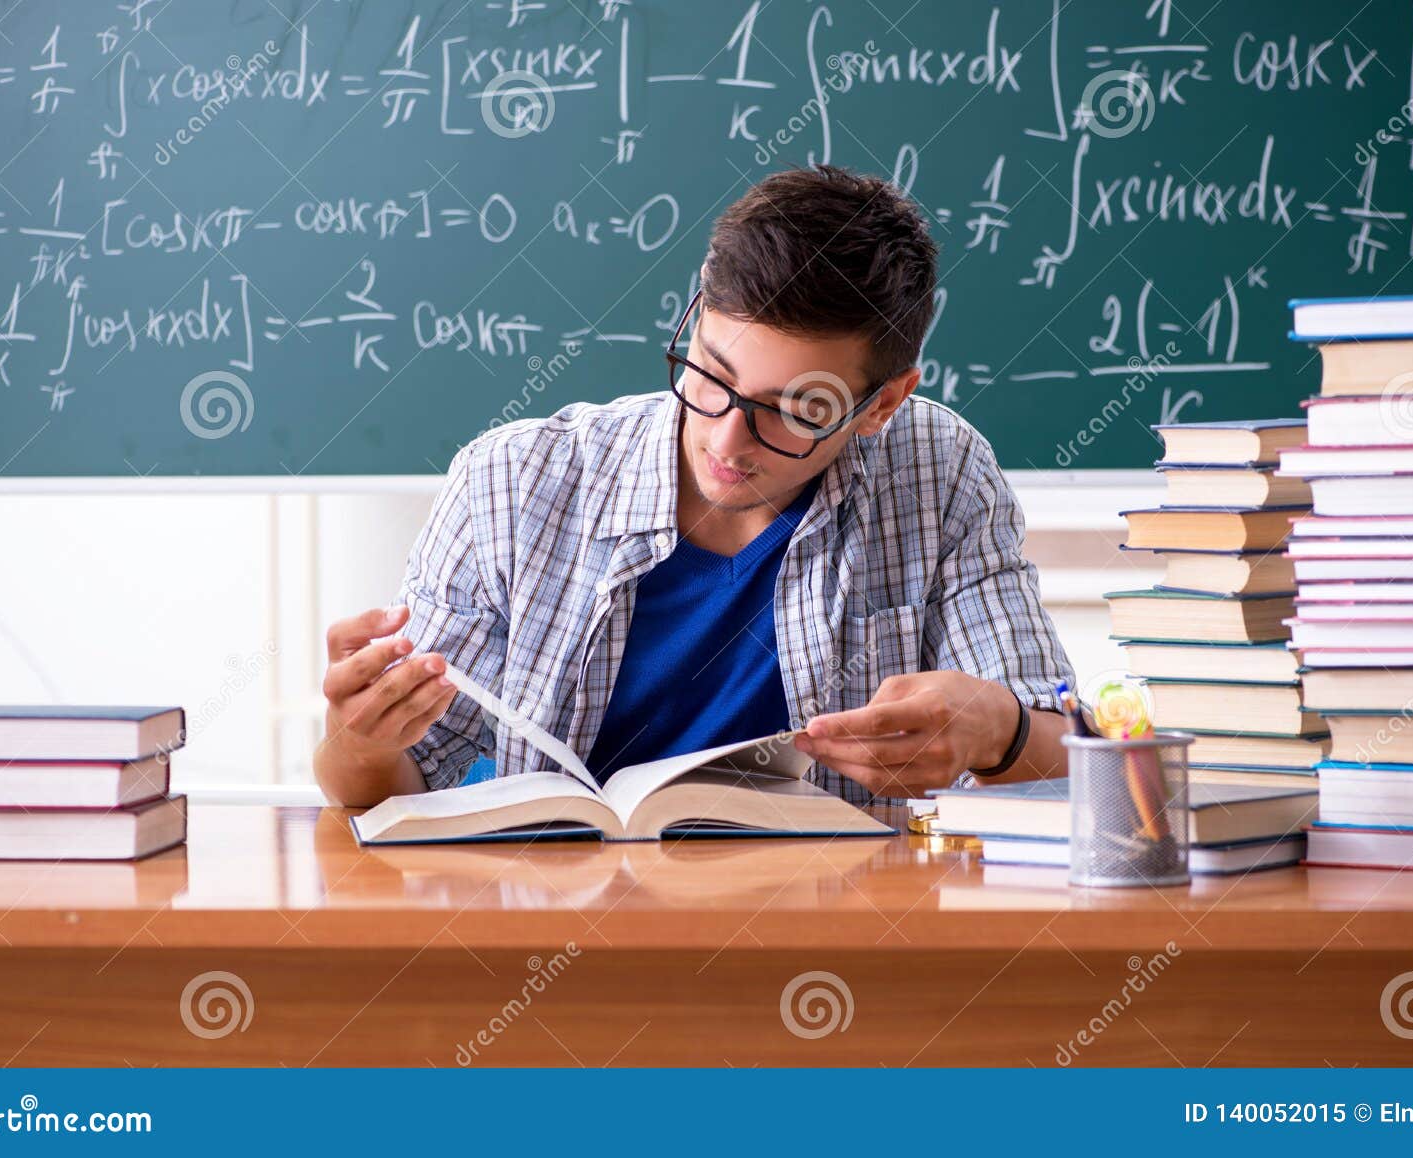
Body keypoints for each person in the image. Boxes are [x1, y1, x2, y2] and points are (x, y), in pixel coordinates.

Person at [316, 164, 1076, 808]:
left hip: (849, 941)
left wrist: (1000, 730)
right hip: (562, 942)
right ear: (696, 318)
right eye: (712, 374)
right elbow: (389, 786)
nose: (726, 439)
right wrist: (357, 735)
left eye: (793, 411)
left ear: (882, 404)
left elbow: (1068, 763)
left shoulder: (938, 472)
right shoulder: (512, 482)